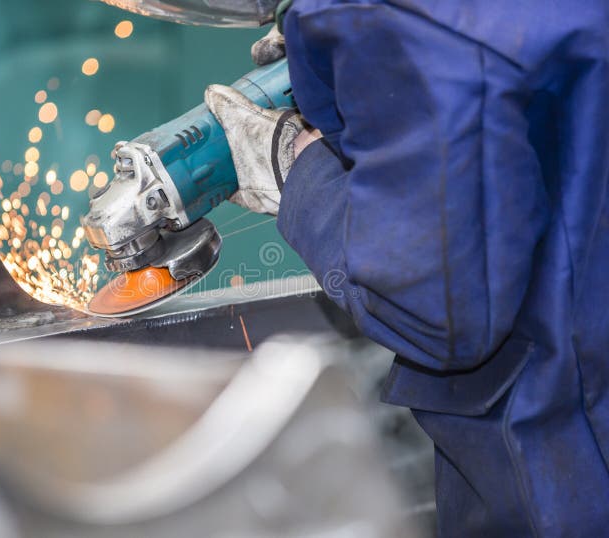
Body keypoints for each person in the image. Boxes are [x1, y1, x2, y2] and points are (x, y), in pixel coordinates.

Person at [98, 1, 609, 536]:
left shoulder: (376, 16)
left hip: (564, 457)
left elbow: (432, 305)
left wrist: (301, 174)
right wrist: (350, 84)